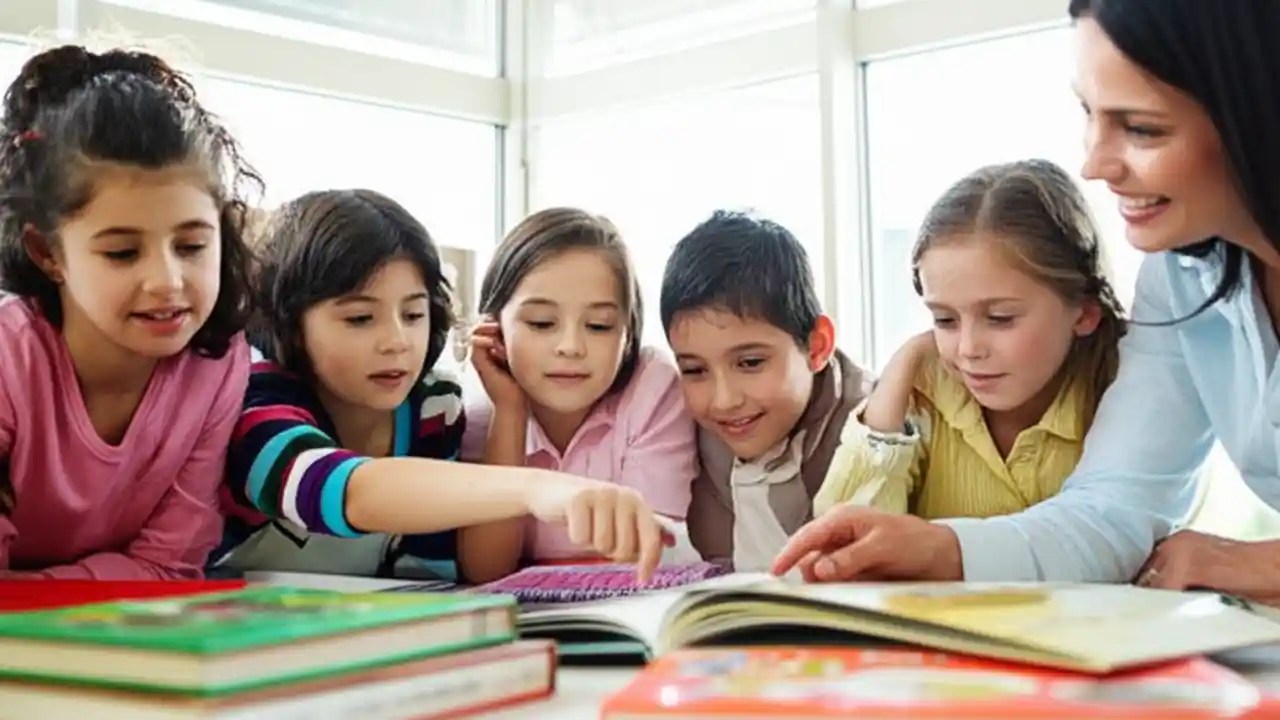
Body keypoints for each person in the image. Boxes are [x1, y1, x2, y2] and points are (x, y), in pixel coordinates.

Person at [773, 0, 1280, 605]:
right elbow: (1112, 509)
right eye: (1090, 113)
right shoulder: (1181, 279)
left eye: (1142, 128)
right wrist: (941, 549)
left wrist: (1261, 562)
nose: (1095, 163)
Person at [222, 193, 672, 583]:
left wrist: (509, 409)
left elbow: (446, 570)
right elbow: (343, 491)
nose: (397, 341)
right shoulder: (257, 404)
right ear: (291, 323)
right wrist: (539, 487)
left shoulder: (432, 409)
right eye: (360, 318)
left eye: (414, 314)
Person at [0, 45, 257, 578]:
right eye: (121, 253)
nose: (167, 281)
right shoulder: (9, 361)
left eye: (191, 246)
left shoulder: (219, 363)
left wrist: (46, 591)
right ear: (48, 254)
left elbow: (170, 564)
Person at [814, 160, 1125, 521]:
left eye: (1000, 318)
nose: (967, 349)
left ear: (1084, 313)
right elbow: (839, 539)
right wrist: (904, 362)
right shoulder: (923, 394)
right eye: (943, 320)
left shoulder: (1126, 400)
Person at [461, 207, 698, 565]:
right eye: (542, 323)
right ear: (494, 329)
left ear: (627, 333)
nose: (571, 346)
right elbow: (486, 569)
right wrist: (509, 412)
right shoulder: (478, 411)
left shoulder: (653, 390)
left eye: (599, 325)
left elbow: (645, 553)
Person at [661, 210, 873, 571]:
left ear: (817, 346)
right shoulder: (687, 441)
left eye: (750, 363)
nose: (724, 400)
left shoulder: (876, 428)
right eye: (695, 370)